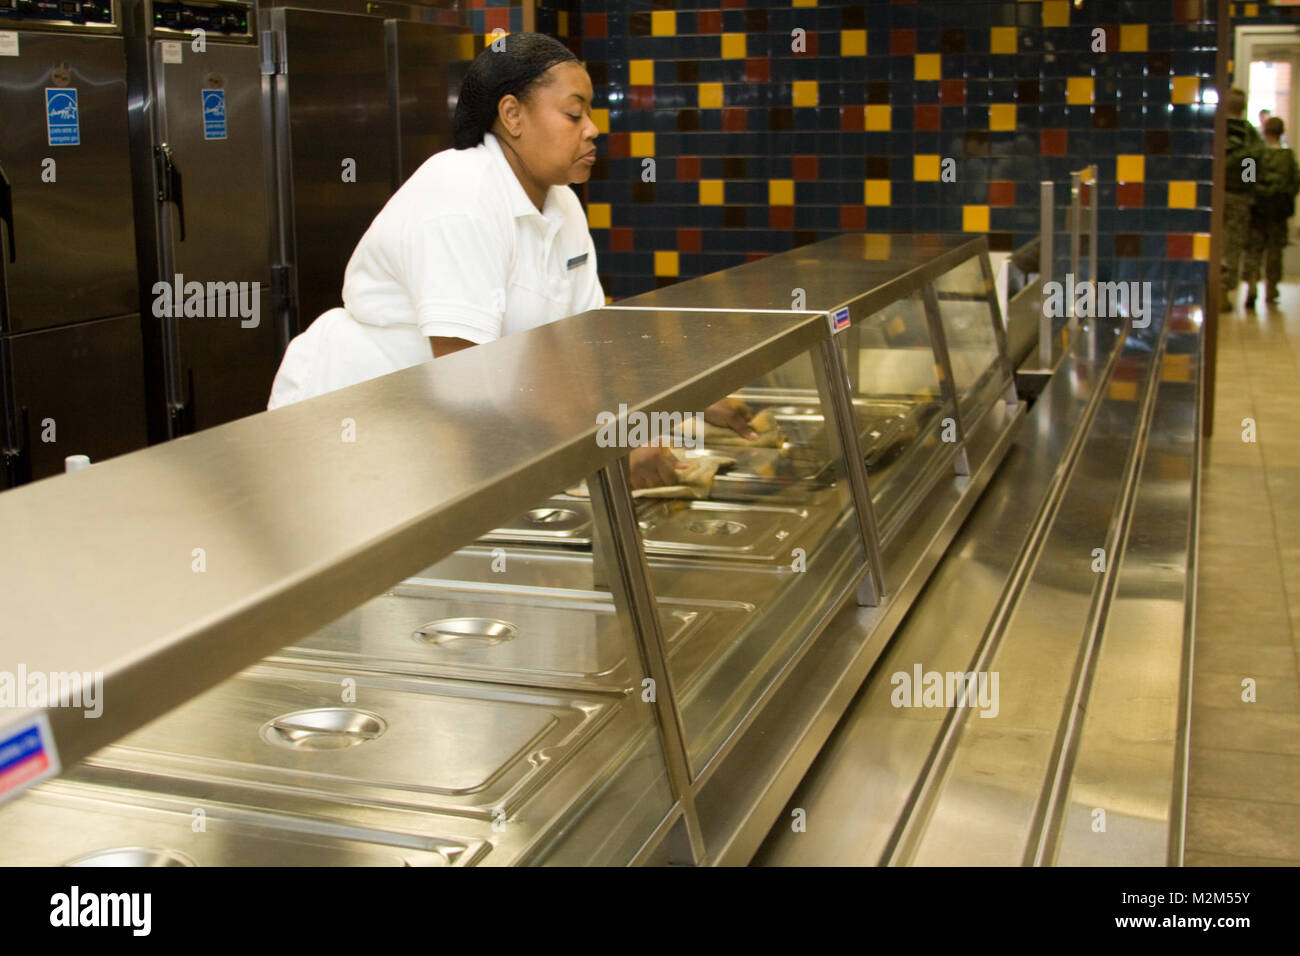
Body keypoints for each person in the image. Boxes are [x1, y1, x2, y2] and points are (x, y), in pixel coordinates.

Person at [267, 32, 757, 488]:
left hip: (452, 439)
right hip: (356, 431)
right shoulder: (461, 195)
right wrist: (613, 447)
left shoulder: (560, 201)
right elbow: (465, 378)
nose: (594, 129)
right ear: (512, 115)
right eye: (574, 113)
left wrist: (677, 402)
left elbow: (584, 343)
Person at [1243, 116, 1300, 308]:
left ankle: (1251, 280)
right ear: (1281, 132)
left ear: (1265, 131)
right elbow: (1295, 184)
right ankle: (1272, 287)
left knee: (1254, 248)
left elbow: (1246, 181)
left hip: (1256, 209)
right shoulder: (1288, 156)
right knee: (1275, 250)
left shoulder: (1252, 155)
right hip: (1279, 211)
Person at [1222, 88, 1264, 311]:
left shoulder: (1214, 129)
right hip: (1239, 196)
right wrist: (1248, 186)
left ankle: (1210, 287)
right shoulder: (1250, 135)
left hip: (1213, 196)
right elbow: (1253, 169)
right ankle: (1225, 289)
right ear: (1243, 107)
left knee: (1213, 242)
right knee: (1234, 244)